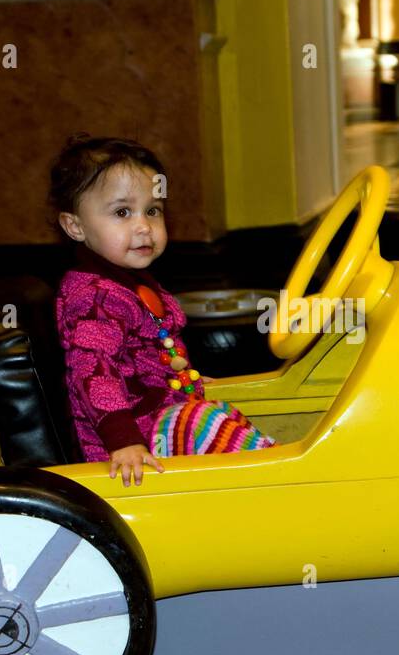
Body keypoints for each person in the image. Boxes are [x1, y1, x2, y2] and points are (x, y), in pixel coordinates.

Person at [51, 135, 275, 486]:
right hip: (130, 444)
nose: (144, 226)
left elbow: (151, 358)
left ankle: (265, 466)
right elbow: (93, 370)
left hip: (158, 421)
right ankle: (274, 476)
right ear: (75, 226)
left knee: (217, 412)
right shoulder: (92, 296)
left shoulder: (132, 282)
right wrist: (123, 440)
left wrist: (186, 384)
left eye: (152, 210)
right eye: (122, 212)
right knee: (203, 422)